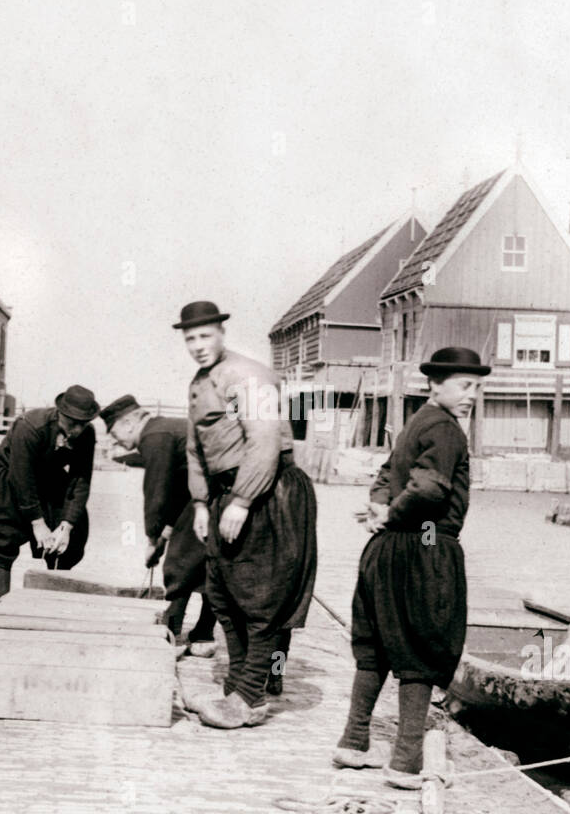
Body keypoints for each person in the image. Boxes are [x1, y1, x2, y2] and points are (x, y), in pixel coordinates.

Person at [332, 346, 489, 788]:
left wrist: (381, 510)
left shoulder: (415, 423)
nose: (471, 395)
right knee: (421, 650)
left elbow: (386, 475)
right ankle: (405, 764)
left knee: (376, 646)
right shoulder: (448, 430)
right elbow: (430, 491)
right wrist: (394, 512)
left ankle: (353, 742)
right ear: (435, 384)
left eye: (477, 386)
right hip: (425, 544)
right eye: (464, 385)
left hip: (386, 550)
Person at [175, 300, 317, 729]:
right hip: (224, 494)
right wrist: (201, 503)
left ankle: (248, 696)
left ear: (221, 333)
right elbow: (194, 449)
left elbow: (264, 441)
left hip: (267, 491)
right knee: (222, 595)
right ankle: (240, 691)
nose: (198, 346)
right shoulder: (201, 382)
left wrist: (241, 501)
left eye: (205, 336)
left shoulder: (248, 375)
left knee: (260, 599)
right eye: (190, 338)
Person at [100, 394, 218, 656]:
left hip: (210, 499)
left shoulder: (154, 437)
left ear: (129, 423)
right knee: (210, 565)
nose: (114, 439)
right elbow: (180, 488)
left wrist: (153, 540)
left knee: (179, 563)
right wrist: (165, 533)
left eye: (114, 430)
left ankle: (171, 633)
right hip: (215, 497)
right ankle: (203, 633)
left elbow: (157, 493)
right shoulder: (165, 429)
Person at [0, 385, 99, 598]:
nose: (78, 430)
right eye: (73, 422)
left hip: (49, 477)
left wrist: (67, 526)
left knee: (70, 536)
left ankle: (51, 596)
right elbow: (21, 478)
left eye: (84, 423)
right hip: (8, 476)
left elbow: (81, 480)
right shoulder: (31, 426)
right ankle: (2, 602)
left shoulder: (86, 435)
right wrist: (38, 523)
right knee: (1, 536)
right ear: (60, 413)